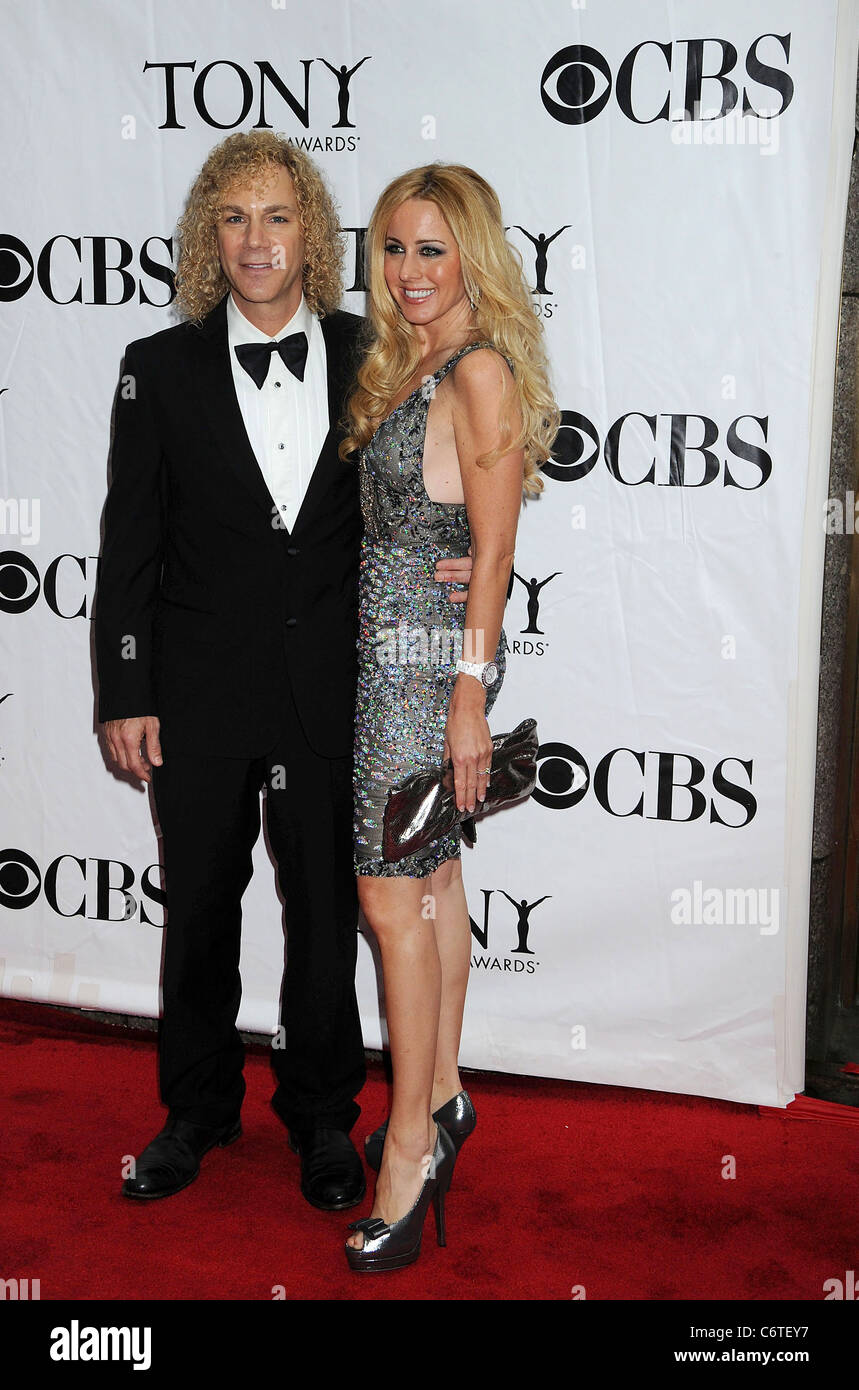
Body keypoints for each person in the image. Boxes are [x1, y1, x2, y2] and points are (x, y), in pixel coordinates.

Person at [94, 132, 472, 1210]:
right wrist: (125, 686)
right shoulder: (156, 368)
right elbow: (131, 541)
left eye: (277, 216)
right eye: (233, 218)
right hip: (199, 687)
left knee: (324, 911)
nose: (256, 240)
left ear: (312, 232)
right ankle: (195, 1110)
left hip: (331, 687)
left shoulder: (377, 351)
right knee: (201, 905)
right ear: (211, 239)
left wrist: (463, 552)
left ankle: (321, 1116)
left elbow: (445, 465)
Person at [341, 164, 559, 1271]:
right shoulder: (411, 360)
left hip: (426, 671)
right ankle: (445, 1092)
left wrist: (468, 691)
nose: (410, 270)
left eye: (432, 248)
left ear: (472, 252)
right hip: (391, 653)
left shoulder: (474, 371)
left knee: (390, 904)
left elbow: (498, 550)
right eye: (393, 248)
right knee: (427, 888)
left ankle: (410, 1148)